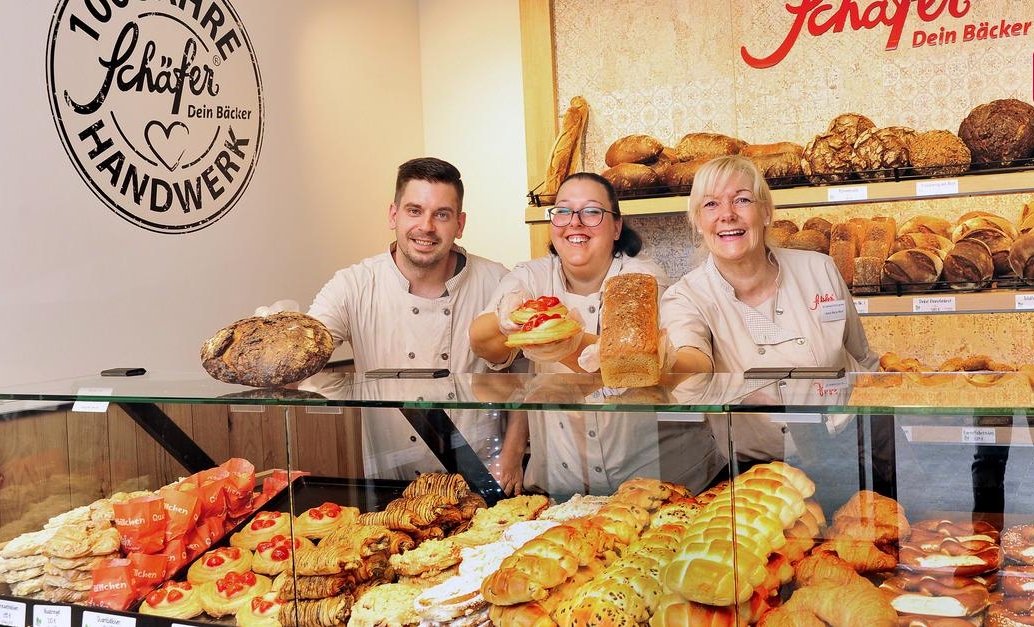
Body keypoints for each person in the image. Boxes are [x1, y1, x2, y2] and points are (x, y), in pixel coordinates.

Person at [470, 172, 725, 498]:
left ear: (616, 226)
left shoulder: (641, 279)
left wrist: (546, 336)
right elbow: (482, 343)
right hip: (567, 481)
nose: (574, 223)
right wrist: (507, 321)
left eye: (591, 212)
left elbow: (621, 366)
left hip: (662, 478)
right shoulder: (531, 275)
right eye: (562, 211)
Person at [660, 155, 879, 512]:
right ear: (698, 222)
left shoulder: (819, 270)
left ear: (765, 213)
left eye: (742, 199)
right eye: (711, 204)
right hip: (758, 471)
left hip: (847, 451)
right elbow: (692, 358)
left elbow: (863, 358)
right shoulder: (686, 296)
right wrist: (663, 359)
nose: (727, 214)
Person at [307, 157, 510, 481]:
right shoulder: (354, 285)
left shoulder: (498, 281)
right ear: (393, 215)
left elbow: (528, 385)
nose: (426, 227)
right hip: (392, 481)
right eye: (414, 211)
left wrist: (509, 462)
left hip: (482, 477)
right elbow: (307, 345)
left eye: (441, 215)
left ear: (460, 224)